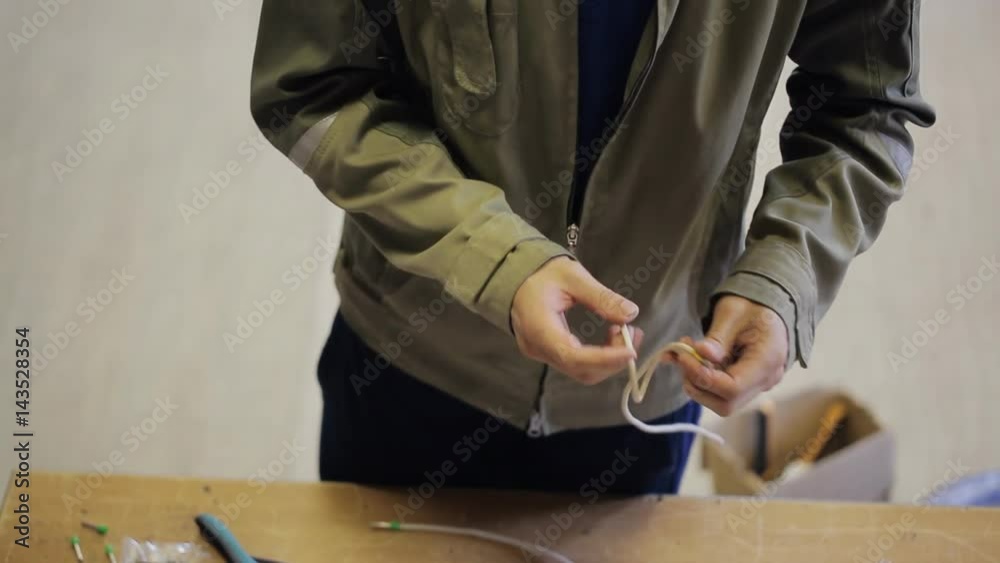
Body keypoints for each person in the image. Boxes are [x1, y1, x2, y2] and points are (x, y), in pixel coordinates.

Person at [250, 0, 935, 494]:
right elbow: (311, 88)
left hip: (645, 385)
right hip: (413, 355)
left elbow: (870, 107)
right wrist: (492, 258)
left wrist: (785, 273)